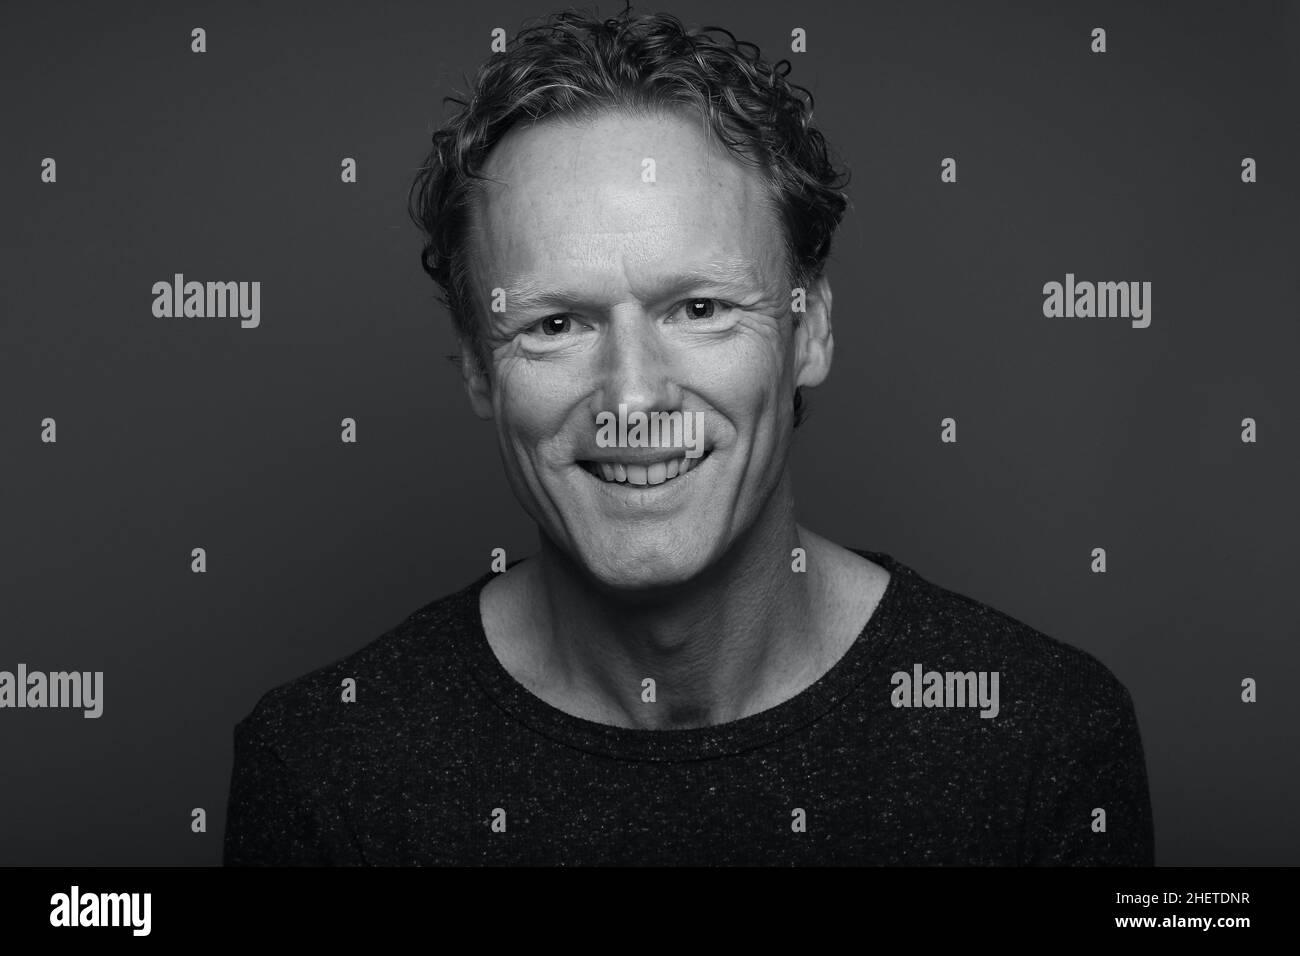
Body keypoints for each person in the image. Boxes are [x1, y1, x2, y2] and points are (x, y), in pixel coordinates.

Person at [223, 5, 1154, 865]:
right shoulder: (324, 767)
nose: (633, 399)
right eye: (555, 324)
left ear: (811, 331)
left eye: (700, 308)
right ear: (476, 366)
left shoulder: (1037, 736)